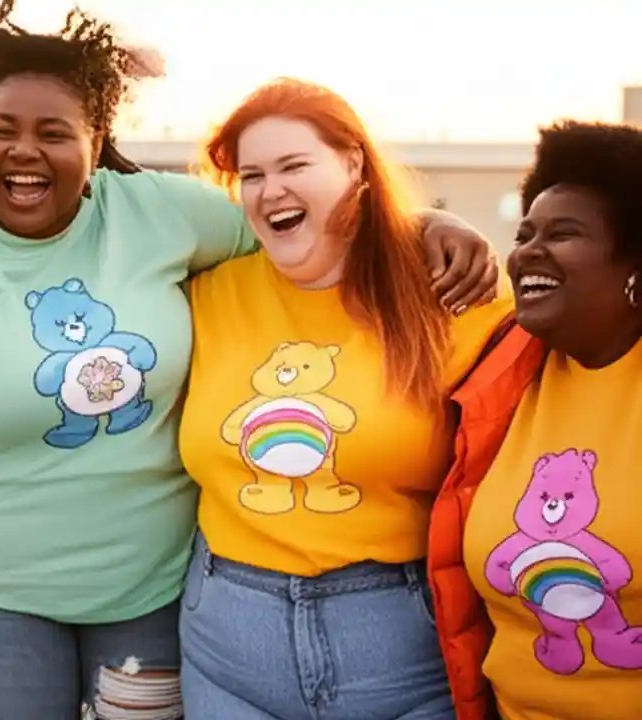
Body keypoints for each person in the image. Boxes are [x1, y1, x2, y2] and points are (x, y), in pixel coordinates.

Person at [0, 3, 499, 716]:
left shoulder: (163, 213)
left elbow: (303, 224)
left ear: (97, 142)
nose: (23, 150)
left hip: (150, 591)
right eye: (1, 132)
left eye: (54, 134)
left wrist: (426, 225)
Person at [175, 77, 514, 719]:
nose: (270, 190)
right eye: (252, 175)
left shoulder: (451, 293)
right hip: (228, 643)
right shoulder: (203, 293)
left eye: (294, 165)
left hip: (401, 647)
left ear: (354, 163)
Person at [429, 120, 642, 720]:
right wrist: (431, 221)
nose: (527, 253)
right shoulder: (495, 358)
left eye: (564, 233)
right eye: (524, 234)